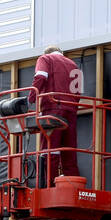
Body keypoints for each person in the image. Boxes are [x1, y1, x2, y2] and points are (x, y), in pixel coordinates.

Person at [31, 46, 81, 182]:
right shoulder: (73, 64)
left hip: (53, 107)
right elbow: (78, 90)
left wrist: (30, 98)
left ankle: (49, 184)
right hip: (72, 109)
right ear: (62, 53)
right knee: (69, 150)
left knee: (50, 148)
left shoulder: (45, 59)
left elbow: (41, 76)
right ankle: (73, 183)